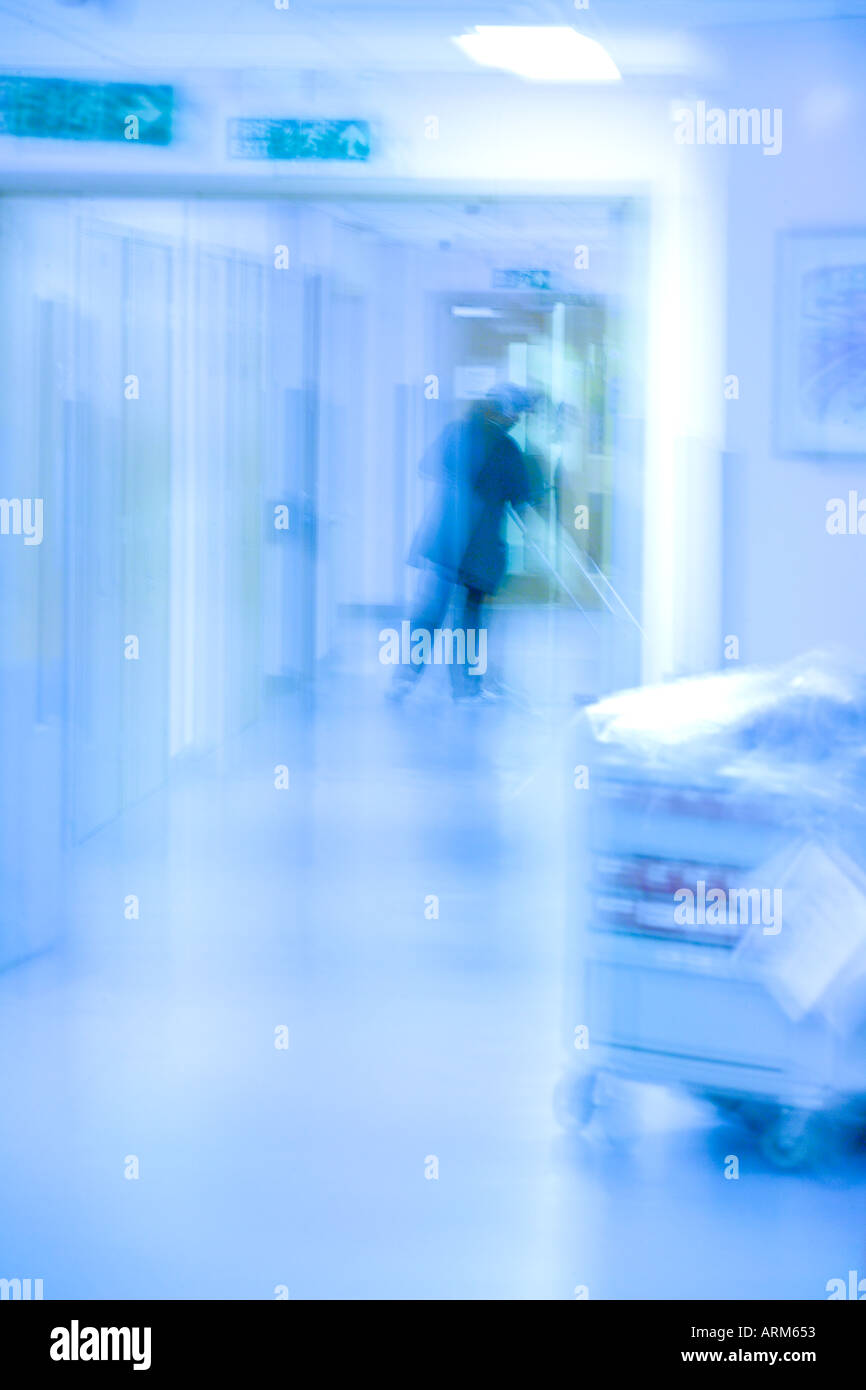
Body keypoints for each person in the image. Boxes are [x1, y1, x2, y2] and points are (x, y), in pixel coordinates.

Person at [391, 383, 546, 700]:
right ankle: (466, 686)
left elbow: (426, 466)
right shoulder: (507, 449)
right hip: (481, 550)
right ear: (505, 411)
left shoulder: (457, 432)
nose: (516, 417)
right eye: (515, 411)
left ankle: (406, 677)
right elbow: (523, 502)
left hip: (446, 541)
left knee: (430, 613)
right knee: (471, 619)